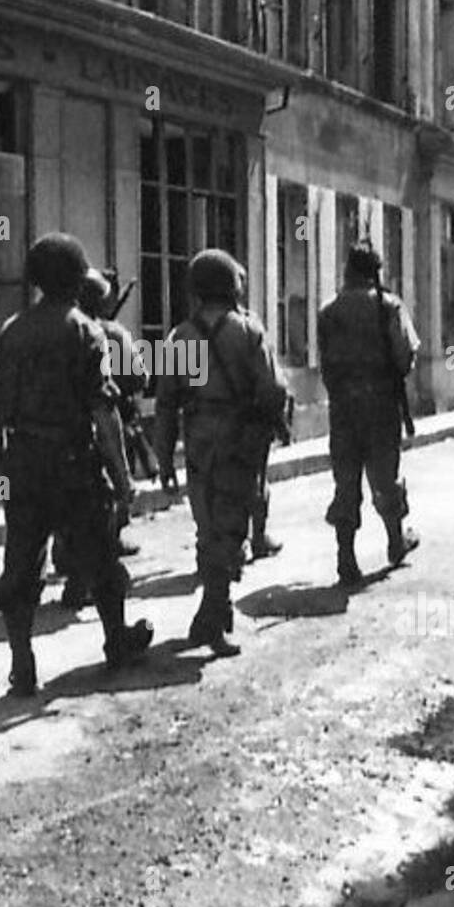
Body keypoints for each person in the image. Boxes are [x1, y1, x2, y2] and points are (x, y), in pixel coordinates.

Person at [0, 232, 154, 697]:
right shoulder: (87, 330)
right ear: (79, 279)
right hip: (74, 463)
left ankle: (23, 666)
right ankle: (116, 642)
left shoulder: (10, 332)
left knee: (20, 563)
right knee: (100, 558)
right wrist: (123, 481)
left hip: (23, 463)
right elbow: (104, 412)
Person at [153, 249, 288, 658]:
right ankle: (213, 619)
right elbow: (271, 388)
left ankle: (210, 614)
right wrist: (274, 424)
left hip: (198, 438)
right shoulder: (246, 331)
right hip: (238, 438)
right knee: (231, 529)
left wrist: (163, 459)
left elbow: (166, 402)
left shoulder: (181, 336)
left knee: (208, 522)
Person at [317, 241, 421, 584]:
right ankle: (395, 540)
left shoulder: (328, 311)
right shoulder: (388, 306)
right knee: (384, 477)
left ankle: (345, 558)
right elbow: (405, 355)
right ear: (375, 272)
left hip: (343, 408)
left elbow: (325, 364)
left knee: (345, 481)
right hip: (380, 405)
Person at [56, 267, 149, 608]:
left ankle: (68, 559)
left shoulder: (53, 328)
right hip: (104, 420)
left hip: (52, 432)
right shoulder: (111, 333)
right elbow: (139, 378)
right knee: (103, 498)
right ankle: (90, 575)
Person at [239, 270, 285, 563]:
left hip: (201, 425)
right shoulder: (248, 329)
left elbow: (171, 390)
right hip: (246, 422)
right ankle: (255, 537)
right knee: (254, 480)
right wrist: (278, 419)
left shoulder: (187, 332)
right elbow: (272, 385)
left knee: (207, 487)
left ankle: (215, 545)